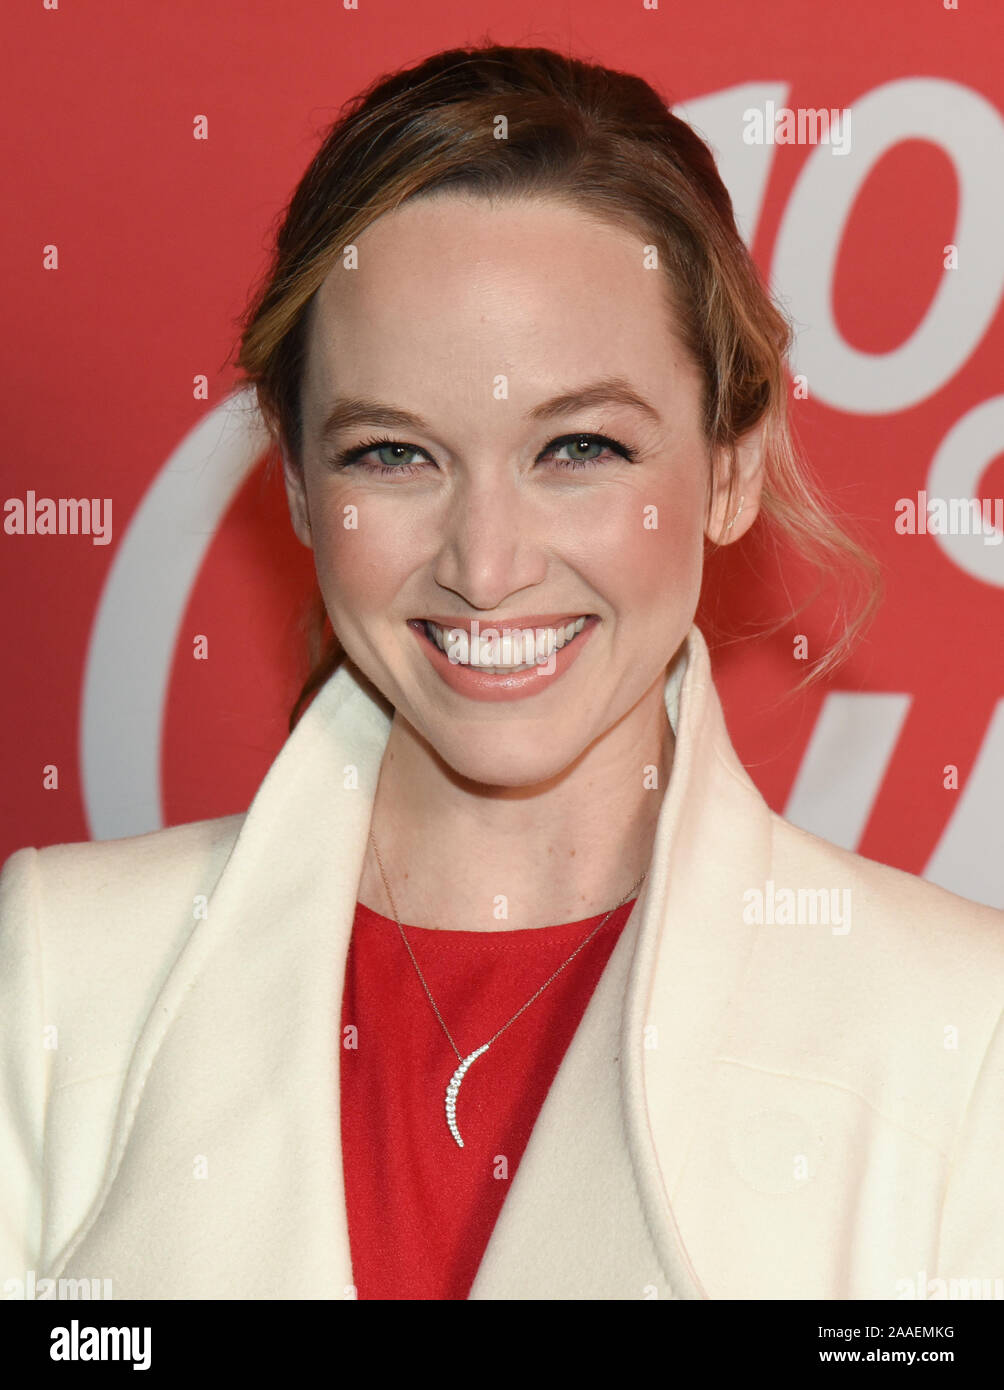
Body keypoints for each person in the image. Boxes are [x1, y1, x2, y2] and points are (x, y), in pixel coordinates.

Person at [2, 42, 1002, 1303]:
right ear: (299, 482)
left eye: (578, 446)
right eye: (391, 455)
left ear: (734, 460)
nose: (485, 563)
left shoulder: (962, 1040)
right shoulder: (60, 977)